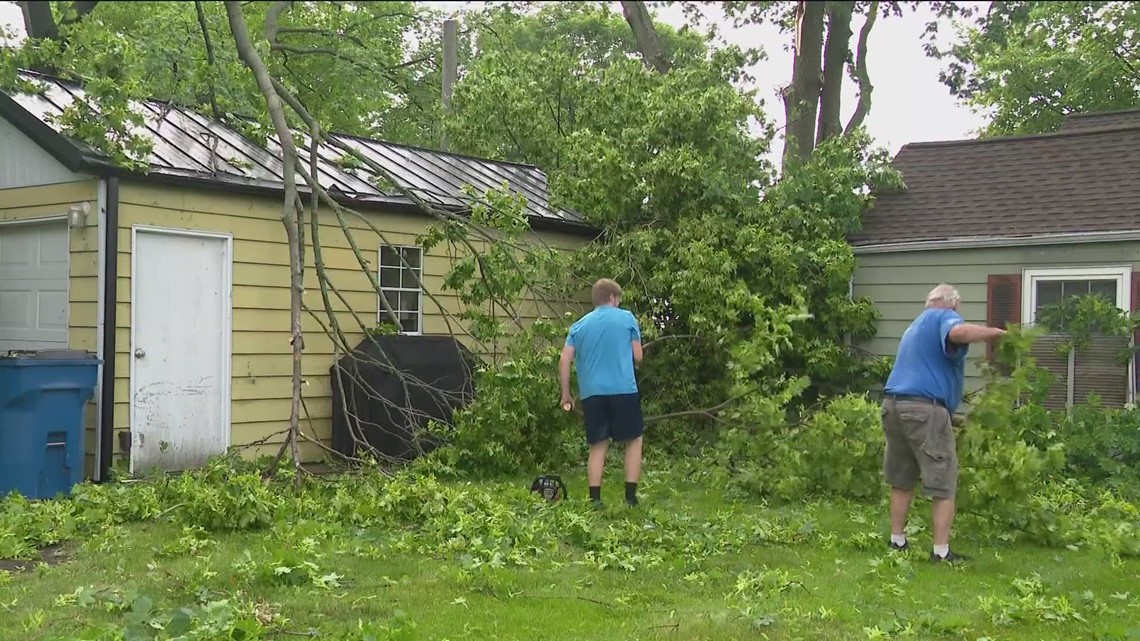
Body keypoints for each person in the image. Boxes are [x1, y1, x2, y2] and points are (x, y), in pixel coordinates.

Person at [881, 284, 1005, 563]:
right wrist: (994, 334)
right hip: (925, 409)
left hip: (893, 405)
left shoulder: (914, 326)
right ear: (953, 305)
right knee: (943, 478)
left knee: (901, 478)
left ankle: (897, 541)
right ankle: (941, 551)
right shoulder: (942, 317)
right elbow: (957, 333)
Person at [559, 278, 644, 507]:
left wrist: (566, 394)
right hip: (623, 389)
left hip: (592, 393)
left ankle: (595, 499)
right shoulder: (627, 318)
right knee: (634, 440)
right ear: (613, 298)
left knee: (598, 444)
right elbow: (638, 357)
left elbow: (565, 359)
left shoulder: (578, 326)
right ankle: (630, 498)